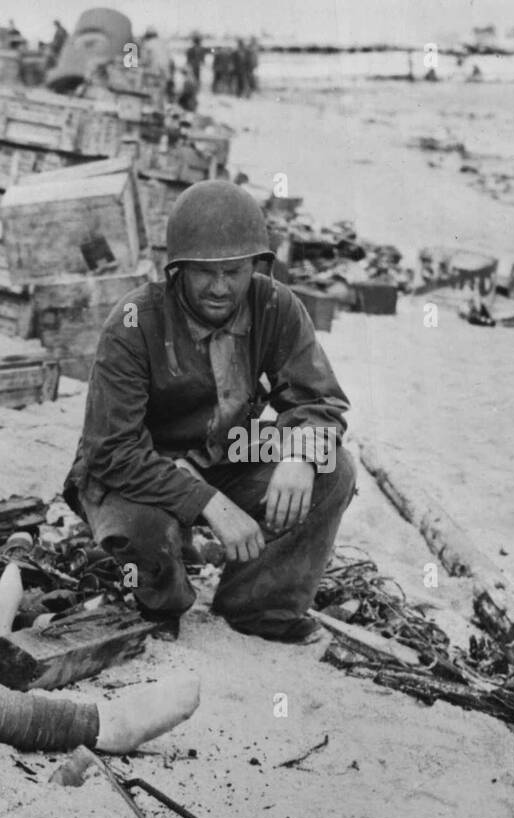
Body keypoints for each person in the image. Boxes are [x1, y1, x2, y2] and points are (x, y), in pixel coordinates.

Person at [64, 181, 356, 645]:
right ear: (177, 269)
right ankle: (162, 590)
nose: (220, 287)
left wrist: (299, 453)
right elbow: (112, 450)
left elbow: (319, 402)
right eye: (204, 272)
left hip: (225, 453)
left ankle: (257, 607)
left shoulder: (278, 306)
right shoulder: (134, 321)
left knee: (332, 467)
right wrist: (208, 503)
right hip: (139, 470)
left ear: (256, 267)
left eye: (234, 271)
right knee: (149, 551)